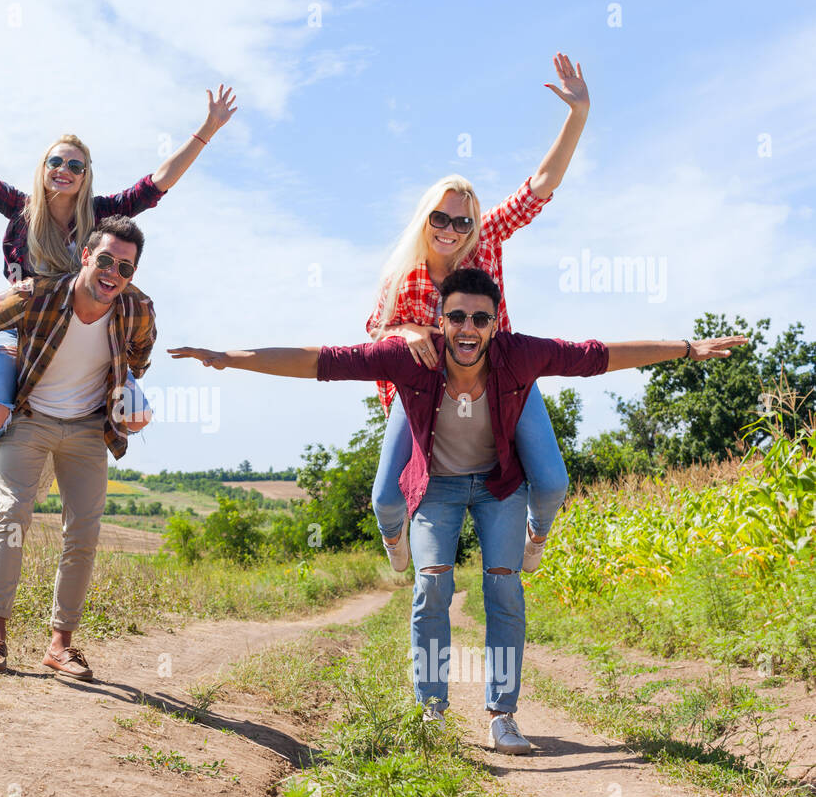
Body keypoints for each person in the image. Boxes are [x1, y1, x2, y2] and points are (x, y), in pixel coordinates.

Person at [168, 267, 745, 754]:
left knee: (504, 591)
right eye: (457, 318)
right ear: (439, 320)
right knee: (432, 589)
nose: (468, 329)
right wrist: (227, 357)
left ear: (497, 323)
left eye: (480, 319)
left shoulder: (520, 357)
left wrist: (688, 348)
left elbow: (599, 356)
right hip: (437, 487)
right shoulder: (411, 360)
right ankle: (433, 712)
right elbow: (320, 361)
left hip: (498, 487)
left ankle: (502, 716)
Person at [0, 61, 236, 463]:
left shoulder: (101, 216)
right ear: (44, 169)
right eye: (56, 162)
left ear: (86, 175)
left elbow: (156, 184)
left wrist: (206, 130)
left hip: (88, 335)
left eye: (75, 165)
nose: (64, 170)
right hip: (23, 336)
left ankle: (80, 433)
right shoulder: (22, 212)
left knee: (137, 415)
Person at [366, 53, 590, 576]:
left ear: (475, 225)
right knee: (384, 496)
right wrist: (404, 328)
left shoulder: (487, 242)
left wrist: (577, 114)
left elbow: (540, 186)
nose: (451, 229)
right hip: (425, 387)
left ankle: (535, 537)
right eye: (440, 218)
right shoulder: (403, 273)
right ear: (426, 218)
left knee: (554, 481)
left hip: (498, 379)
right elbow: (374, 333)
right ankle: (394, 540)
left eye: (462, 221)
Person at [0, 216, 154, 681]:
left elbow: (141, 356)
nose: (113, 273)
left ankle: (60, 645)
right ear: (87, 256)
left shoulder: (138, 309)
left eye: (124, 267)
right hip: (30, 418)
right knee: (12, 515)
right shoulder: (41, 293)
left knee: (84, 532)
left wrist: (124, 390)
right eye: (106, 259)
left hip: (88, 428)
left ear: (132, 274)